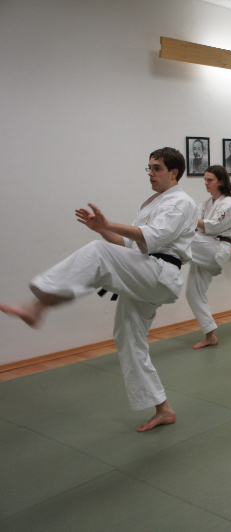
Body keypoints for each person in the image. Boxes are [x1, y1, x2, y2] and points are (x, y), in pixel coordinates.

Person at [1, 148, 198, 432]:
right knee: (128, 338)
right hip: (145, 272)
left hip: (158, 272)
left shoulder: (181, 203)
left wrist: (108, 227)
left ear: (174, 172)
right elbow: (128, 245)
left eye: (157, 168)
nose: (151, 173)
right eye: (149, 168)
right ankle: (163, 408)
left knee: (97, 254)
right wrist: (101, 229)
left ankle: (37, 306)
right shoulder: (154, 202)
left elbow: (151, 238)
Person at [186, 165, 231, 349]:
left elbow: (213, 226)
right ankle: (210, 335)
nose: (206, 183)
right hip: (204, 247)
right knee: (193, 292)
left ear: (221, 182)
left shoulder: (229, 205)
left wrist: (187, 221)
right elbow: (196, 222)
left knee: (182, 236)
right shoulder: (207, 203)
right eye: (205, 180)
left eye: (210, 180)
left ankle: (152, 255)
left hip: (217, 247)